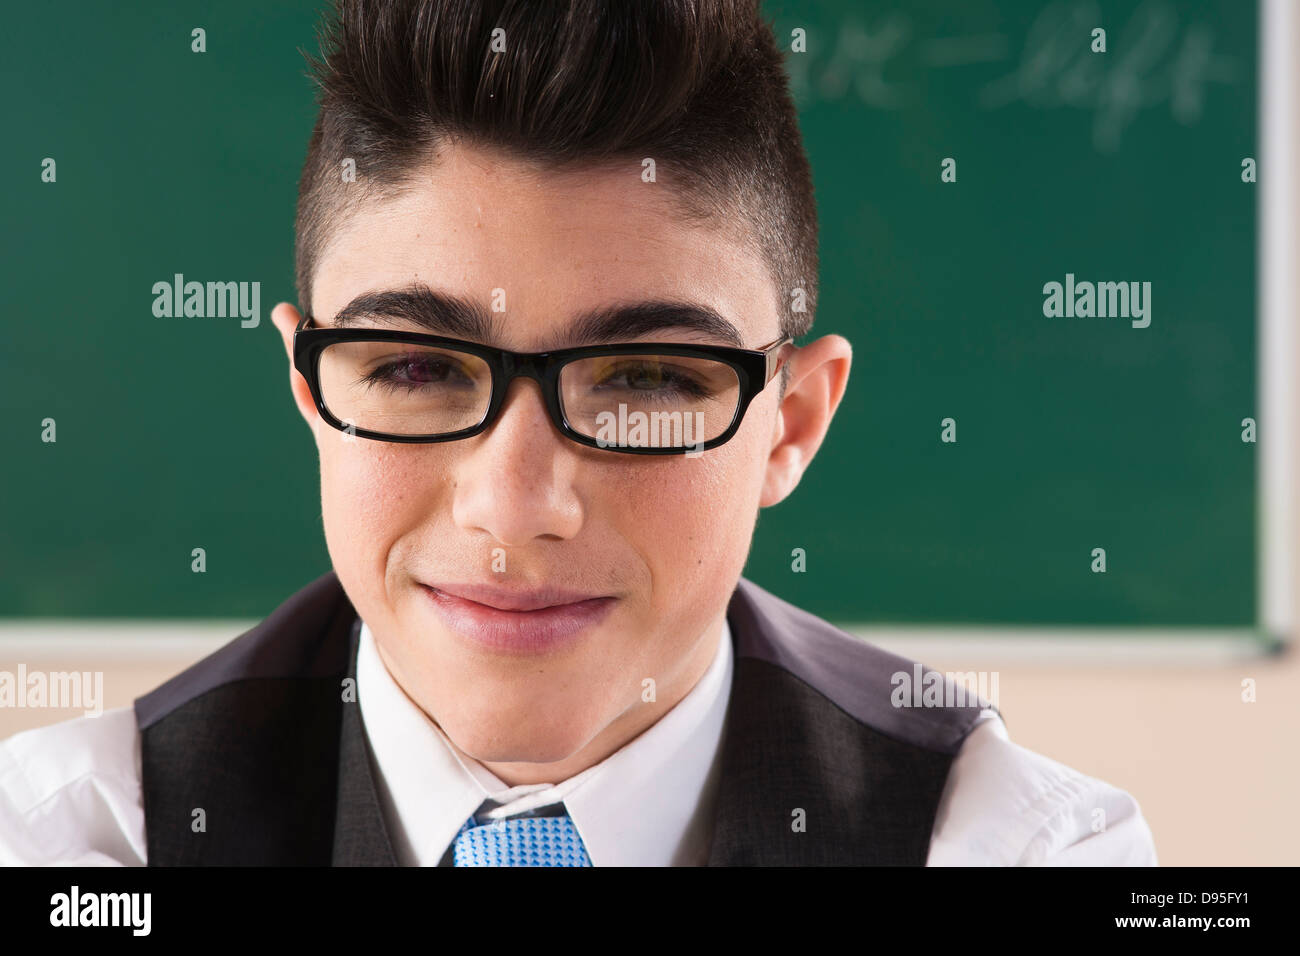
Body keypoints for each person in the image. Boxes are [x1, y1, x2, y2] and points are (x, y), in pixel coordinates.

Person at [0, 0, 1155, 866]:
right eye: (413, 365)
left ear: (789, 423)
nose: (513, 507)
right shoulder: (76, 842)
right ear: (310, 390)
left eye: (646, 375)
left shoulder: (1013, 847)